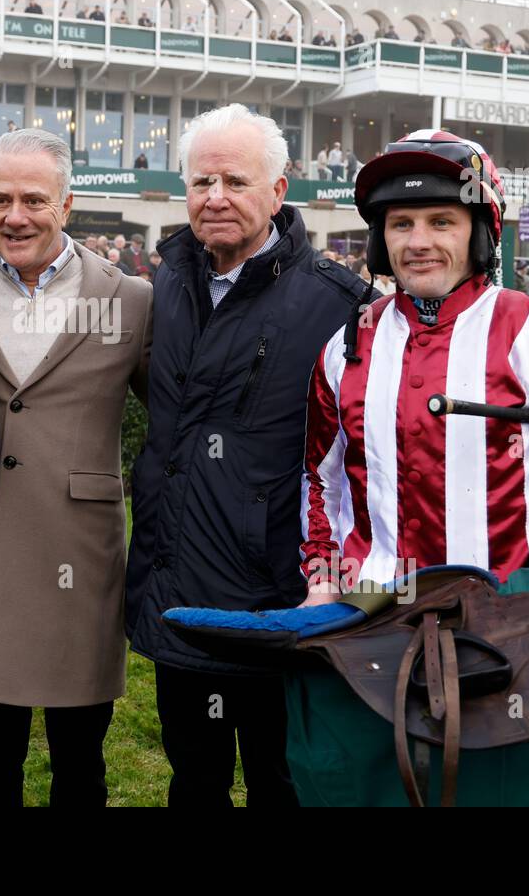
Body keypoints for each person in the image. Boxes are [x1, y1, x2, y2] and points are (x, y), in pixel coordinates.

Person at [125, 104, 371, 807]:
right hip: (179, 592)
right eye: (202, 181)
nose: (216, 197)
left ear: (278, 190)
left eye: (236, 180)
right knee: (194, 780)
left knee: (281, 782)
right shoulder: (165, 283)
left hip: (278, 602)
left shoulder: (339, 304)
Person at [301, 129, 529, 599]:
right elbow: (322, 485)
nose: (418, 242)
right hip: (369, 628)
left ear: (482, 235)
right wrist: (324, 584)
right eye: (401, 224)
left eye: (442, 222)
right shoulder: (344, 349)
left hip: (510, 635)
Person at [0, 129, 152, 806]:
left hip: (80, 556)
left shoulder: (130, 300)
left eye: (34, 198)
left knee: (80, 765)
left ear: (67, 202)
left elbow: (177, 418)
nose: (15, 216)